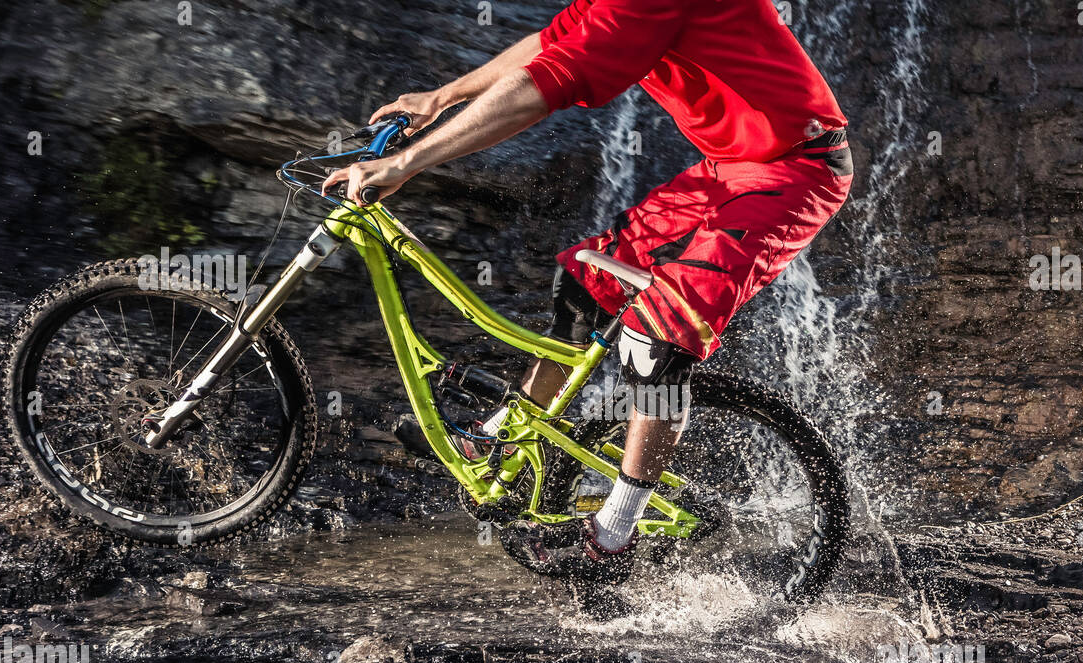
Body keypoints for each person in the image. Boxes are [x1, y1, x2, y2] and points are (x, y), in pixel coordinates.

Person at [323, 0, 853, 586]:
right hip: (729, 167)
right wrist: (441, 97)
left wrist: (410, 161)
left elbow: (547, 84)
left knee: (656, 342)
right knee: (585, 281)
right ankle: (501, 437)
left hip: (796, 170)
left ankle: (615, 531)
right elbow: (550, 43)